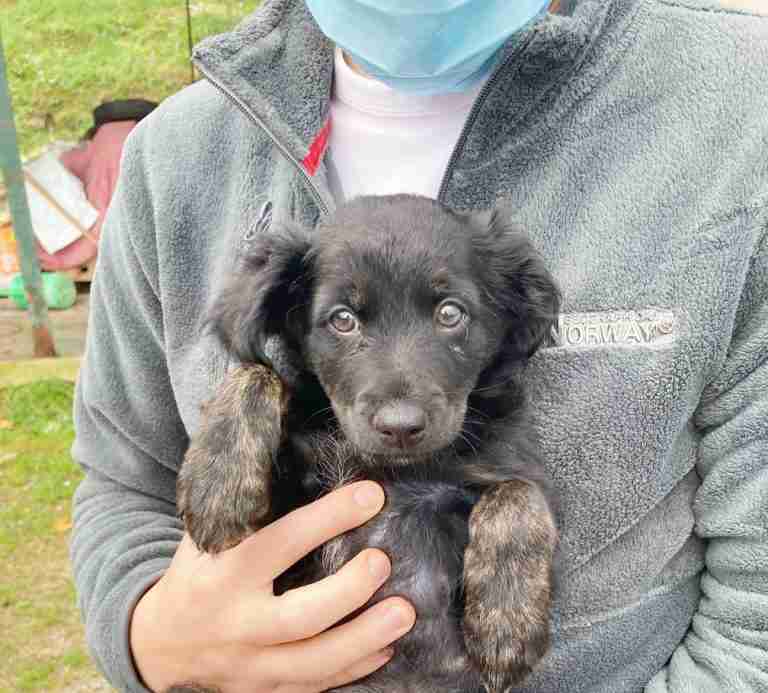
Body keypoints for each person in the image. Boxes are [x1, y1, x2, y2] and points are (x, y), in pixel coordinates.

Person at [70, 0, 768, 691]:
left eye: (449, 313)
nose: (400, 409)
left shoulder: (736, 100)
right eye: (344, 320)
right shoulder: (174, 158)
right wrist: (150, 637)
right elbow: (125, 479)